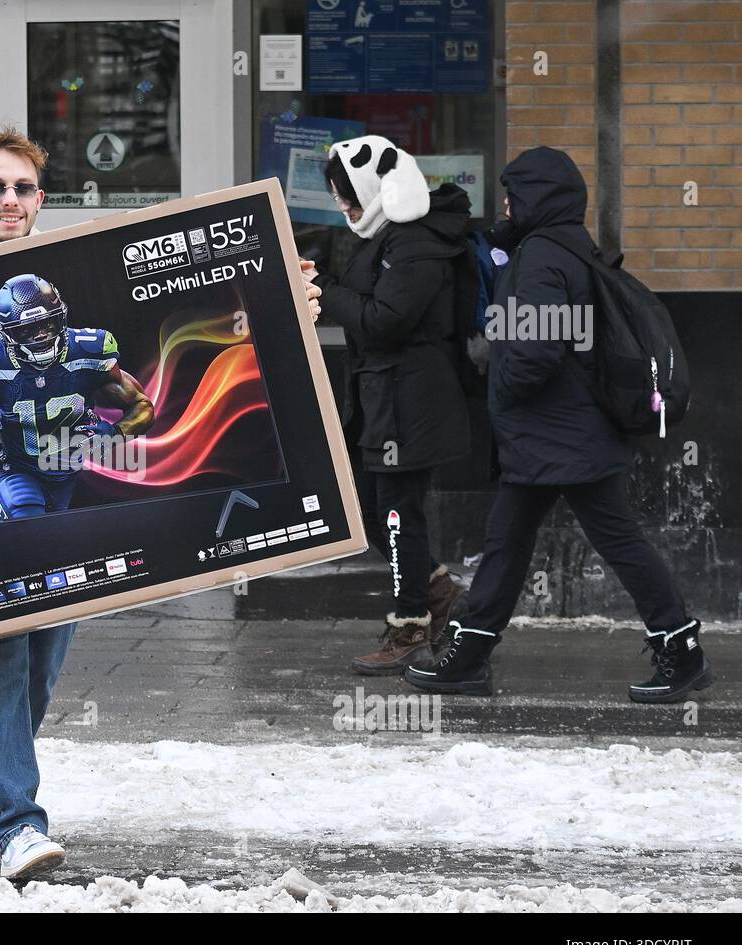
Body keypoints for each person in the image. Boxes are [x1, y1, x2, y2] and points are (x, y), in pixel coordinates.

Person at [0, 128, 324, 879]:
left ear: (40, 200)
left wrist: (283, 301)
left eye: (22, 188)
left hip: (67, 484)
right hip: (3, 494)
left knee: (43, 658)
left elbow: (145, 397)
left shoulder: (75, 297)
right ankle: (19, 824)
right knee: (5, 639)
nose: (8, 200)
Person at [404, 146, 713, 703]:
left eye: (512, 194)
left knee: (614, 541)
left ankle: (680, 647)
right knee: (507, 542)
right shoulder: (567, 248)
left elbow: (537, 350)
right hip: (555, 435)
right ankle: (468, 654)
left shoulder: (542, 256)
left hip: (560, 434)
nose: (503, 204)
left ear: (535, 199)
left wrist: (498, 371)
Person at [306, 135, 471, 675]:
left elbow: (385, 319)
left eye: (349, 197)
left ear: (377, 188)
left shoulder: (416, 241)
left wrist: (326, 292)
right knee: (371, 510)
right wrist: (323, 283)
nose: (345, 208)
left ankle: (411, 628)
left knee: (398, 514)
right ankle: (436, 591)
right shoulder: (389, 237)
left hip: (408, 400)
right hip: (381, 397)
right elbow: (368, 304)